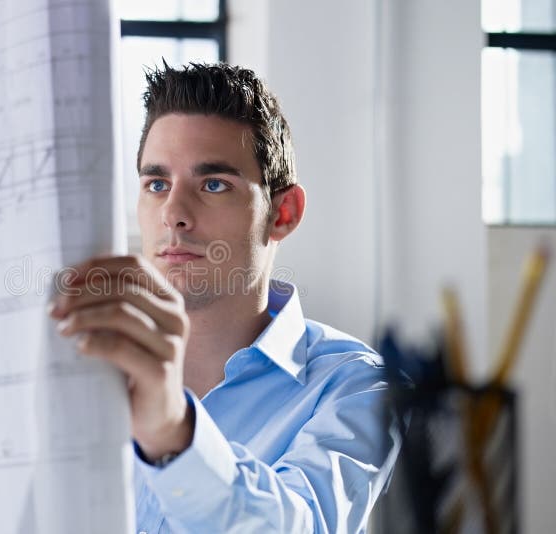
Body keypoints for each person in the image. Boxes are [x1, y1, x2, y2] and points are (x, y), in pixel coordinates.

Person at [48, 62, 402, 533]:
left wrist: (174, 430)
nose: (173, 213)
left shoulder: (357, 387)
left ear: (283, 213)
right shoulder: (78, 362)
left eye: (214, 184)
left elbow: (300, 526)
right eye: (157, 184)